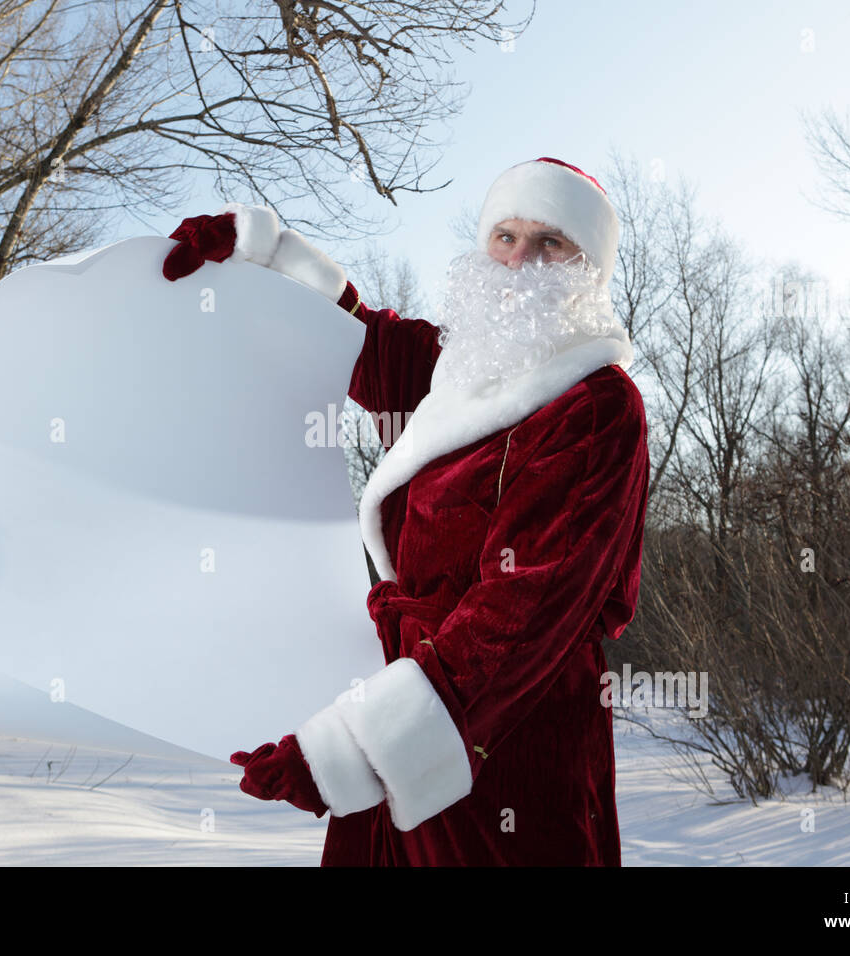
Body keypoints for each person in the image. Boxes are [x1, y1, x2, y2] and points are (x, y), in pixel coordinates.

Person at [162, 156, 649, 866]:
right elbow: (353, 334)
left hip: (502, 744)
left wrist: (350, 750)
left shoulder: (597, 406)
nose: (519, 261)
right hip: (401, 719)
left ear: (589, 269)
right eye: (506, 236)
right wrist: (252, 262)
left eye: (550, 243)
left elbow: (523, 611)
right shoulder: (458, 372)